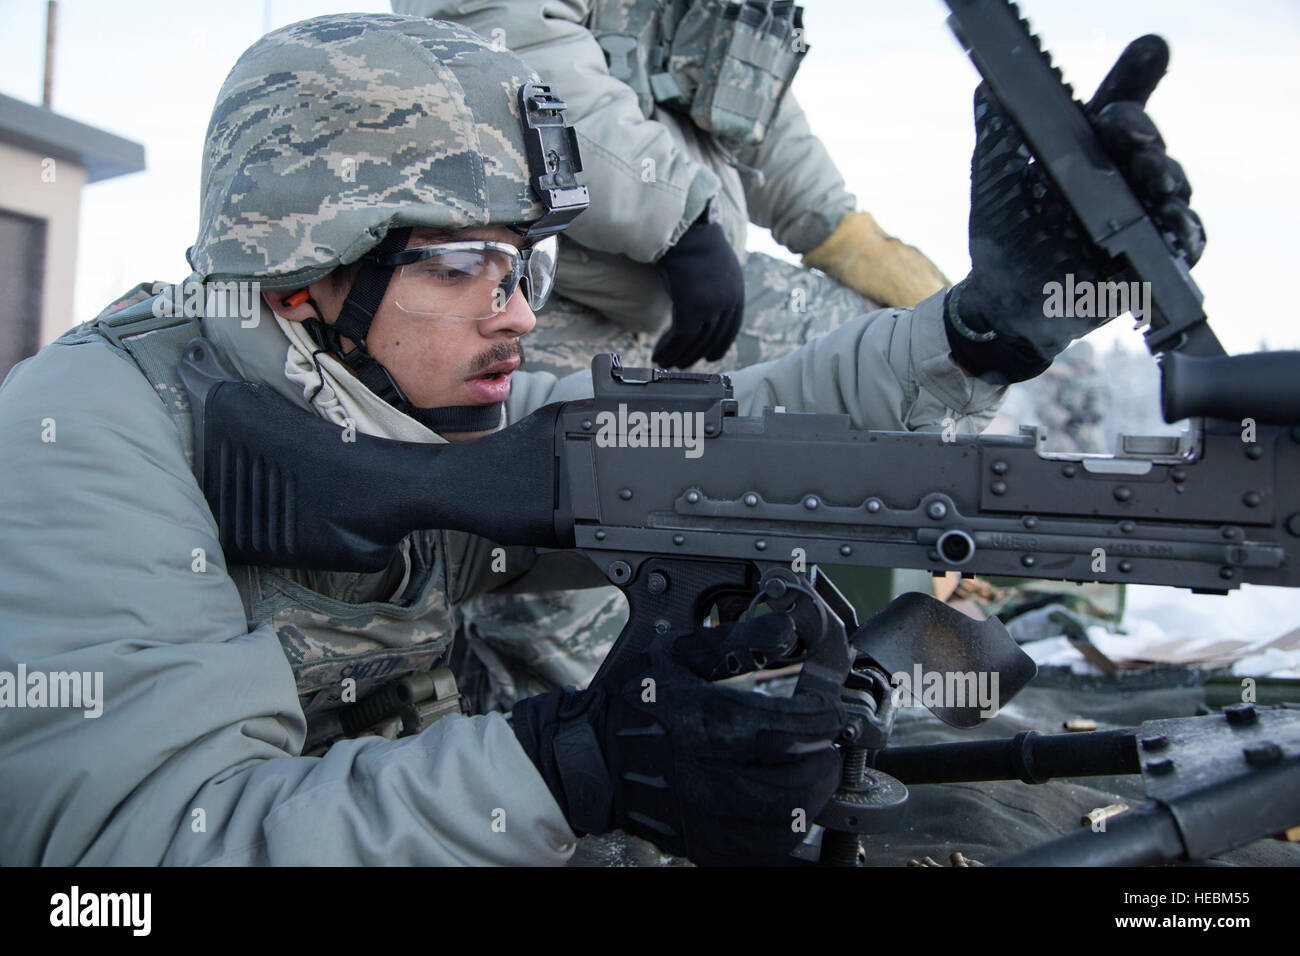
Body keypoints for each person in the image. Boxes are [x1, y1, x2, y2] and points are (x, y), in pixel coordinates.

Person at [0, 13, 1200, 865]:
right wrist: (569, 764)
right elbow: (127, 859)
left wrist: (979, 332)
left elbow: (756, 429)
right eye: (466, 262)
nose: (518, 307)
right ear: (305, 274)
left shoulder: (412, 394)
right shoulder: (93, 438)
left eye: (529, 260)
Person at [394, 0, 952, 377]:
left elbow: (752, 109)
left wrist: (846, 236)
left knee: (902, 355)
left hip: (685, 303)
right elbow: (523, 80)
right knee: (565, 498)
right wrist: (682, 221)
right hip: (537, 296)